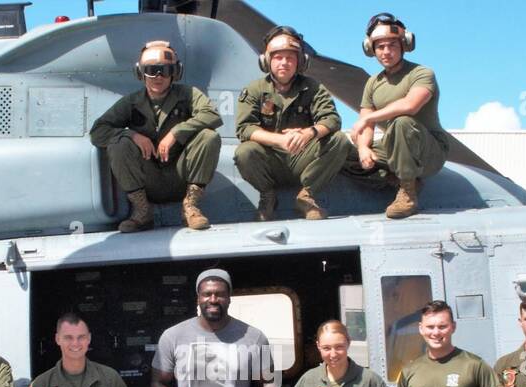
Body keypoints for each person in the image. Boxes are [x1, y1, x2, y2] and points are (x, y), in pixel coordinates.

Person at [89, 39, 222, 232]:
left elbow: (212, 115)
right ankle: (142, 211)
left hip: (181, 176)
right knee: (119, 142)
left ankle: (190, 207)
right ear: (140, 72)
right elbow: (98, 131)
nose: (158, 76)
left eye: (165, 70)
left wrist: (177, 132)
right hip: (147, 178)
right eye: (151, 70)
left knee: (209, 136)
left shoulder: (188, 95)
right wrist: (133, 135)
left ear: (175, 73)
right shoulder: (132, 102)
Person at [234, 25, 349, 221]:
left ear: (300, 62)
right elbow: (245, 128)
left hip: (303, 157)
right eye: (278, 57)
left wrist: (309, 133)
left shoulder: (313, 87)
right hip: (271, 159)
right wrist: (279, 140)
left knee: (339, 141)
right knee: (244, 152)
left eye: (290, 58)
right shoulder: (254, 90)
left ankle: (307, 195)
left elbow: (331, 119)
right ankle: (268, 196)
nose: (284, 63)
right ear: (267, 61)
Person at [346, 12, 449, 219]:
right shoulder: (373, 83)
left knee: (402, 122)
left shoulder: (421, 73)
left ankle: (408, 193)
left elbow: (410, 105)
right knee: (340, 148)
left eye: (392, 45)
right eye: (380, 46)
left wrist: (368, 118)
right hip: (395, 146)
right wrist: (364, 148)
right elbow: (366, 124)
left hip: (428, 150)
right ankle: (395, 177)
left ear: (404, 45)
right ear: (371, 49)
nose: (386, 52)